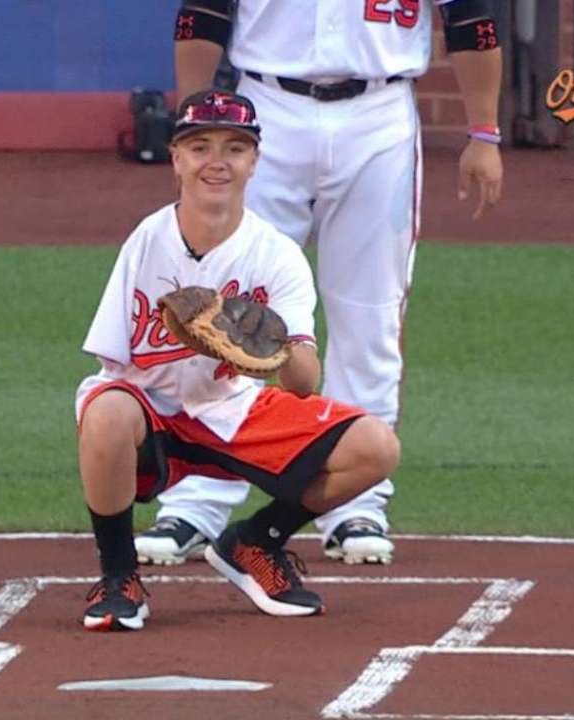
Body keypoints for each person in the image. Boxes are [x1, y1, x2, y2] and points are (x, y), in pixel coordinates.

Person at [136, 0, 504, 567]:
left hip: (379, 116)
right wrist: (198, 119)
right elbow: (204, 12)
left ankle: (356, 503)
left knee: (370, 313)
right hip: (266, 110)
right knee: (224, 310)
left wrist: (484, 131)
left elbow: (469, 20)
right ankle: (196, 501)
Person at [76, 89, 401, 631]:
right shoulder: (147, 240)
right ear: (176, 159)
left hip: (231, 410)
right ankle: (118, 577)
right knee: (106, 412)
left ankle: (254, 542)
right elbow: (114, 365)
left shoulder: (276, 255)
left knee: (375, 447)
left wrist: (272, 354)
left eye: (233, 147)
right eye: (199, 146)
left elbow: (305, 382)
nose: (216, 162)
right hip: (149, 412)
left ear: (254, 161)